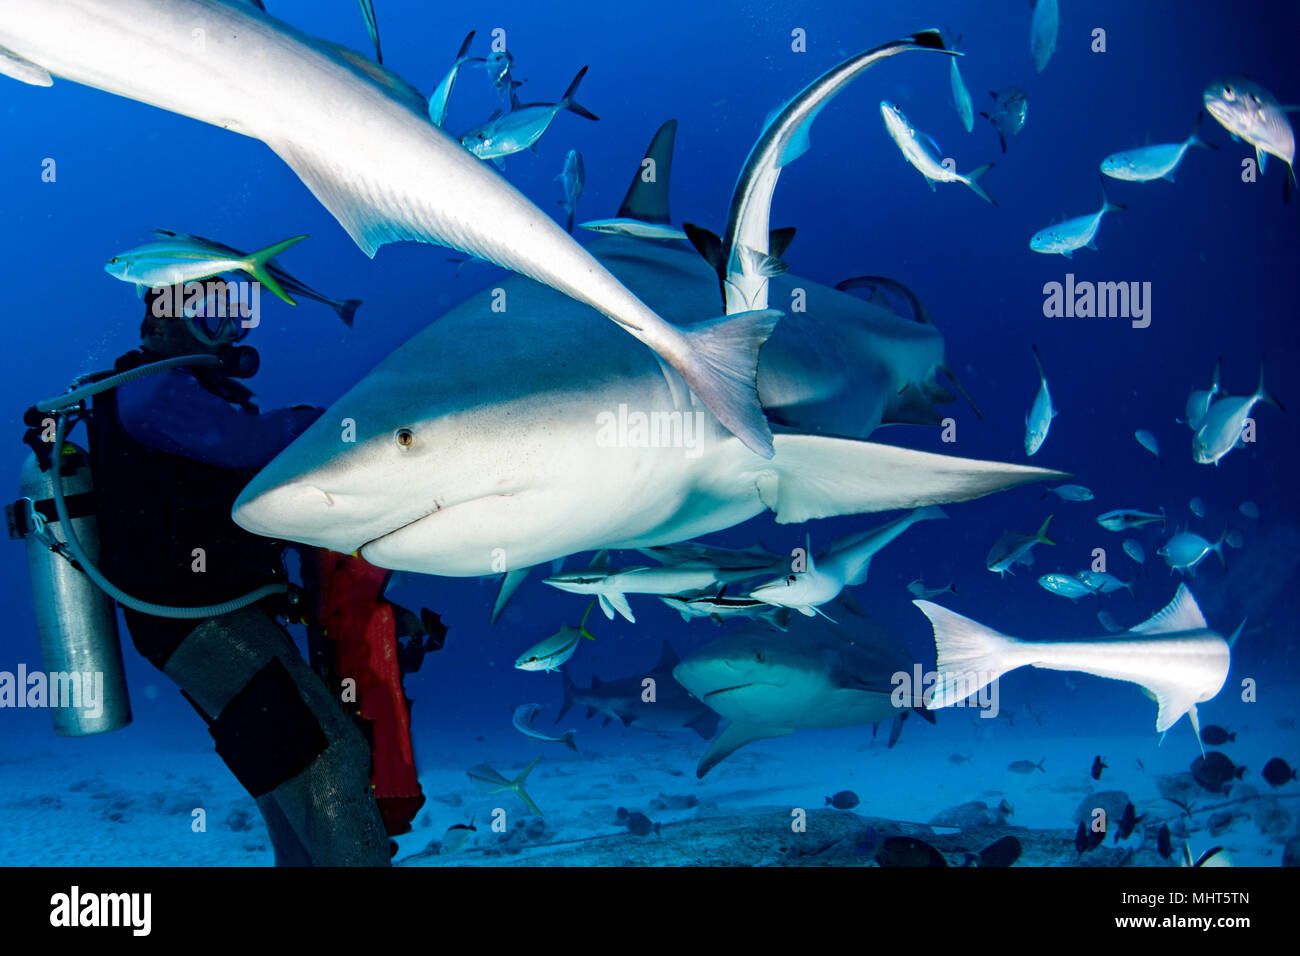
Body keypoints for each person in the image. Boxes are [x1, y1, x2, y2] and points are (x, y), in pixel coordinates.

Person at [74, 279, 401, 865]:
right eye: (207, 316)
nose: (228, 331)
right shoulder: (152, 392)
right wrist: (345, 425)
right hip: (199, 623)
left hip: (212, 615)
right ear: (159, 324)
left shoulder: (178, 390)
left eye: (236, 316)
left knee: (282, 772)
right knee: (329, 758)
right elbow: (244, 442)